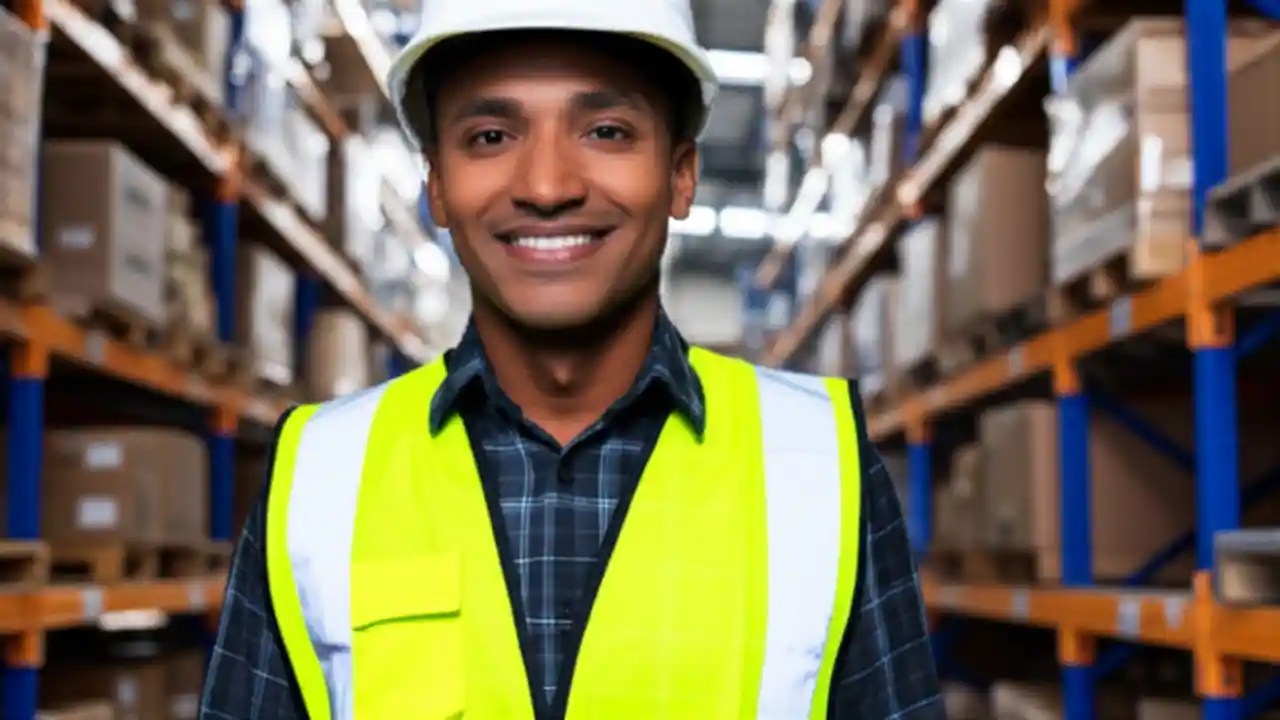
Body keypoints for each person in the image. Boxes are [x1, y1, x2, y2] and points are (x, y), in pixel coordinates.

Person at [200, 0, 942, 717]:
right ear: (436, 185)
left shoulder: (819, 466)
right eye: (491, 137)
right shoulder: (320, 481)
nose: (547, 187)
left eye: (607, 131)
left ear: (681, 174)